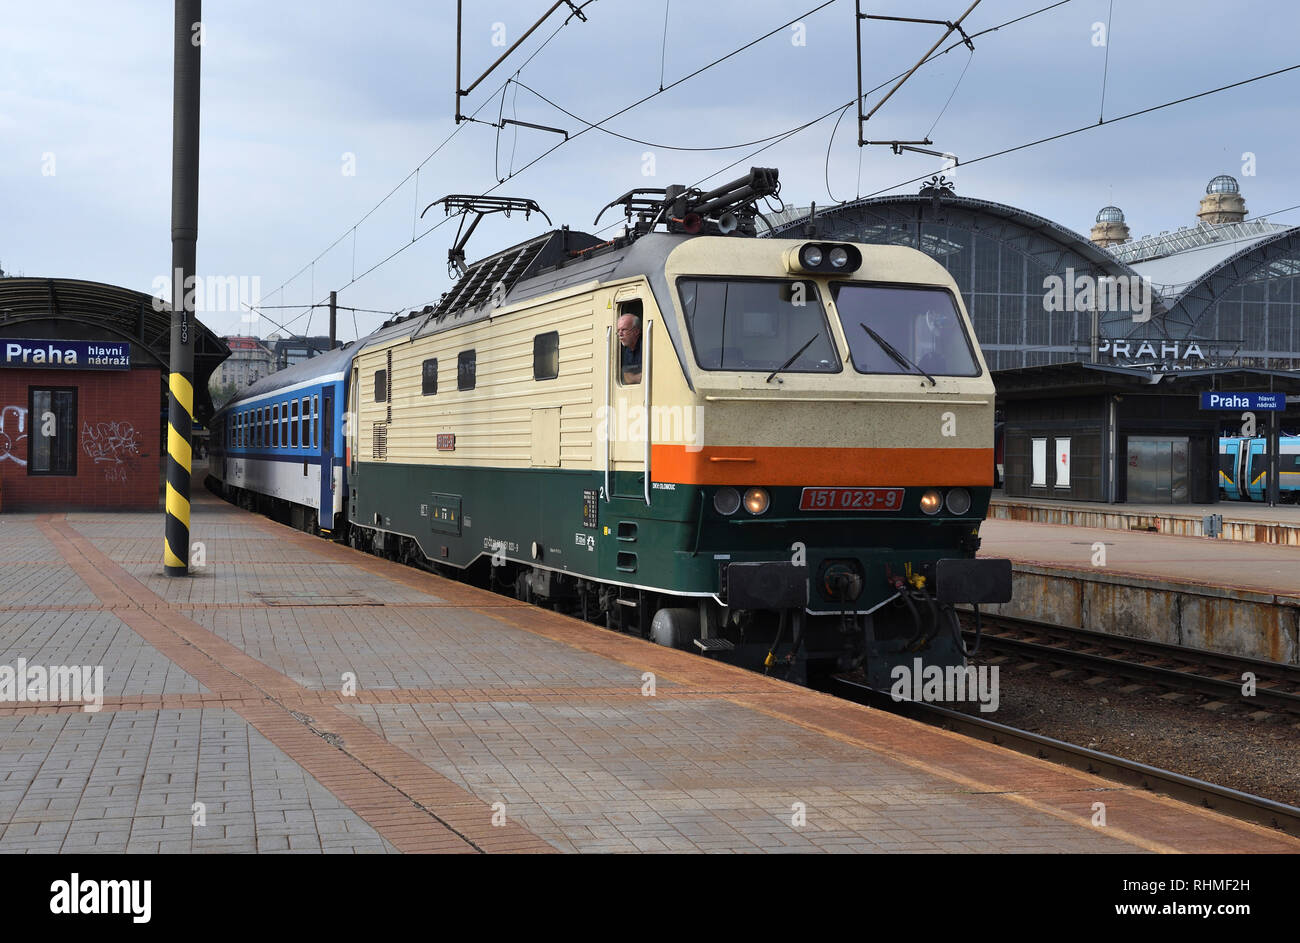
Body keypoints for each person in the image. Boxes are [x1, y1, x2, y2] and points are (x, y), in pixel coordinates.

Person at [617, 311, 642, 384]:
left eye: (624, 329)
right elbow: (626, 377)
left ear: (636, 332)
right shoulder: (627, 350)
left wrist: (632, 377)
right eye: (618, 330)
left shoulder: (645, 345)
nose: (620, 334)